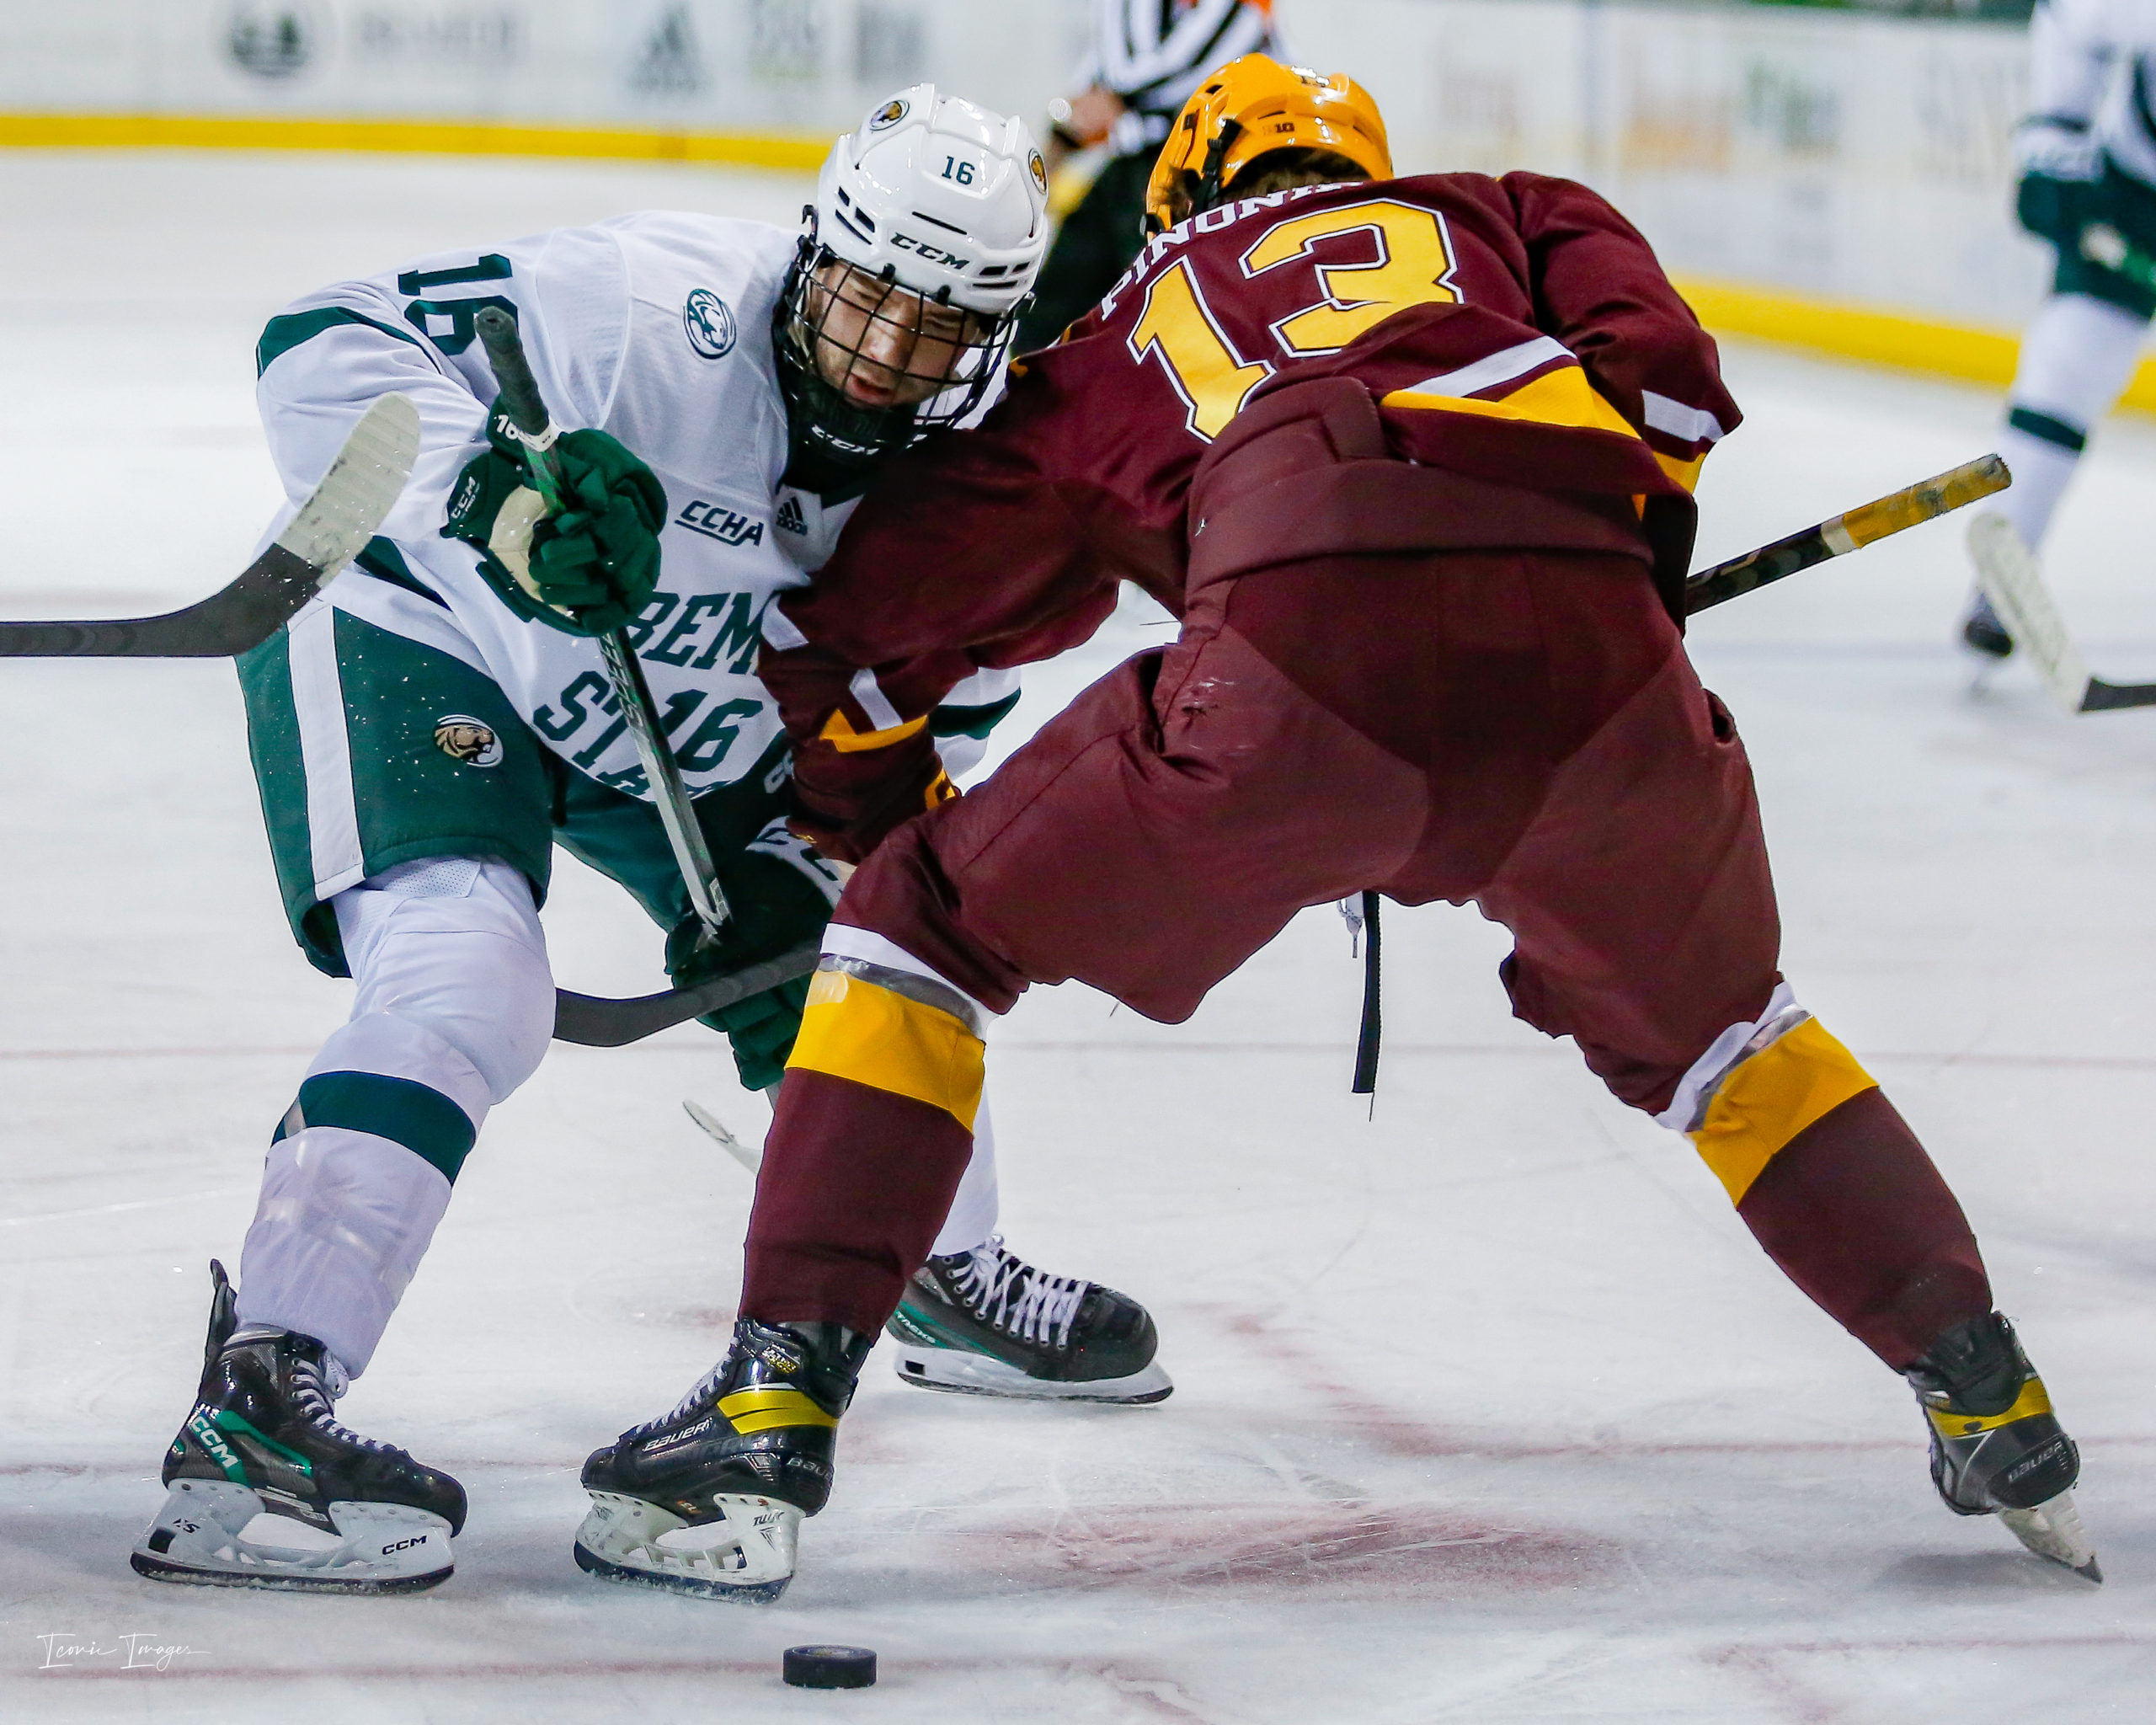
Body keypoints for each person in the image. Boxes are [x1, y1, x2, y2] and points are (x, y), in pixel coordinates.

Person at [579, 56, 2101, 1605]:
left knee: (920, 929)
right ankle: (1983, 1382)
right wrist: (1608, 563)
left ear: (1178, 195)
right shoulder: (1507, 212)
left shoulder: (1108, 349)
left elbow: (865, 620)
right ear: (1373, 169)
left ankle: (774, 1400)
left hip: (1297, 672)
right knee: (1731, 1036)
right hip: (1601, 669)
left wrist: (865, 818)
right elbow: (1665, 384)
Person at [131, 87, 1171, 1599]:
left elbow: (919, 750)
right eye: (865, 305)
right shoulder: (648, 306)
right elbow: (319, 342)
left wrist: (810, 873)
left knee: (875, 959)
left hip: (681, 713)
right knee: (465, 973)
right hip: (431, 629)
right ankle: (263, 1402)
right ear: (814, 251)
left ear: (999, 340)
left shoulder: (992, 491)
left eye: (934, 335)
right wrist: (492, 498)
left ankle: (930, 1263)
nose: (881, 363)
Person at [1964, 0, 2156, 655]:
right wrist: (2055, 131)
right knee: (2068, 365)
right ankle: (2003, 578)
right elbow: (2074, 15)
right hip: (2137, 191)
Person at [1016, 0, 1283, 350]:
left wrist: (1093, 110)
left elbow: (1142, 76)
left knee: (1173, 311)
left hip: (1220, 174)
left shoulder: (1243, 11)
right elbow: (1099, 92)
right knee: (1053, 315)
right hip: (1144, 168)